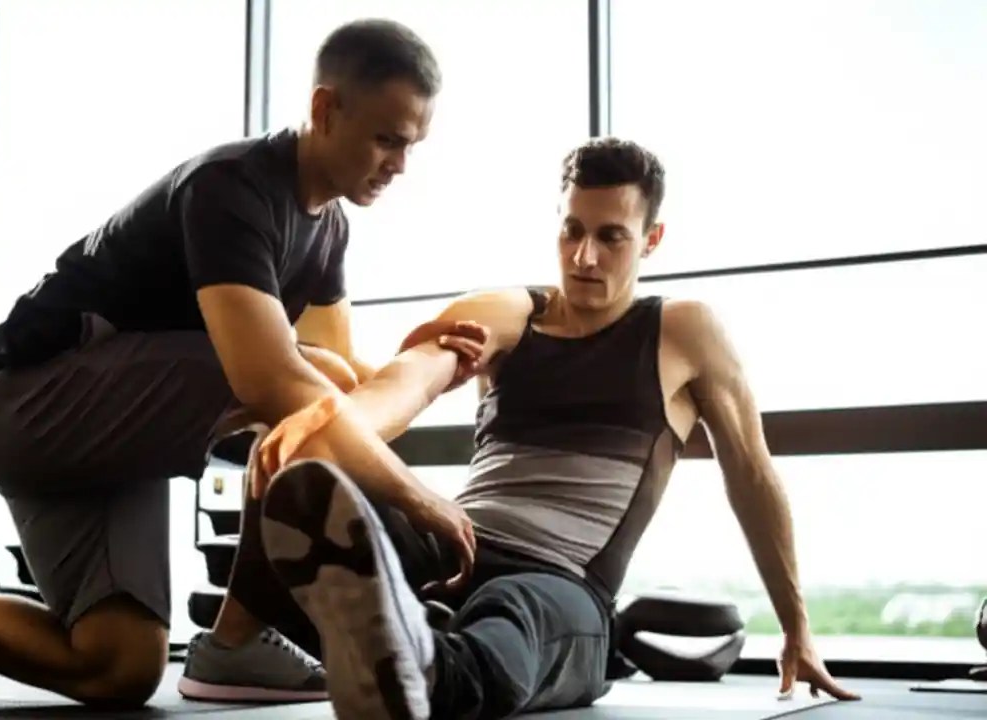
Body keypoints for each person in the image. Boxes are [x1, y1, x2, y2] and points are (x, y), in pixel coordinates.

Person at [0, 18, 484, 708]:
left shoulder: (326, 232)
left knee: (119, 665)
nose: (399, 165)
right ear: (326, 108)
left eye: (412, 145)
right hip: (27, 402)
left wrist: (427, 358)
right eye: (387, 140)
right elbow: (274, 382)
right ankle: (237, 636)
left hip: (111, 447)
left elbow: (348, 387)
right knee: (301, 388)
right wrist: (420, 499)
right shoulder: (233, 187)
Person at [223, 137, 864, 719]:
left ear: (652, 239)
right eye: (571, 231)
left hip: (561, 582)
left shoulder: (684, 332)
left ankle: (419, 665)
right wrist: (330, 426)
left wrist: (797, 627)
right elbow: (400, 387)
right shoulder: (507, 312)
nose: (584, 257)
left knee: (516, 616)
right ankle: (350, 638)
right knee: (298, 459)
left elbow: (750, 473)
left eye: (611, 236)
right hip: (451, 544)